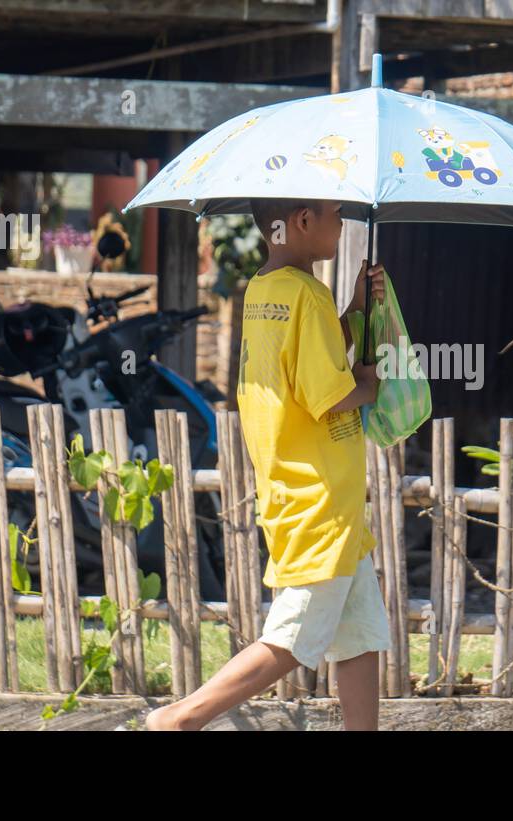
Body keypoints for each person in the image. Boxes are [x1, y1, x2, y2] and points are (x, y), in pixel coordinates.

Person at [146, 198, 390, 731]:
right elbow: (328, 393)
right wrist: (367, 383)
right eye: (333, 213)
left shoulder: (264, 290)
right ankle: (177, 720)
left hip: (311, 493)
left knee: (360, 636)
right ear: (303, 221)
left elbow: (304, 359)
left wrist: (349, 314)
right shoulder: (307, 294)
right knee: (292, 641)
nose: (343, 223)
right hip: (320, 499)